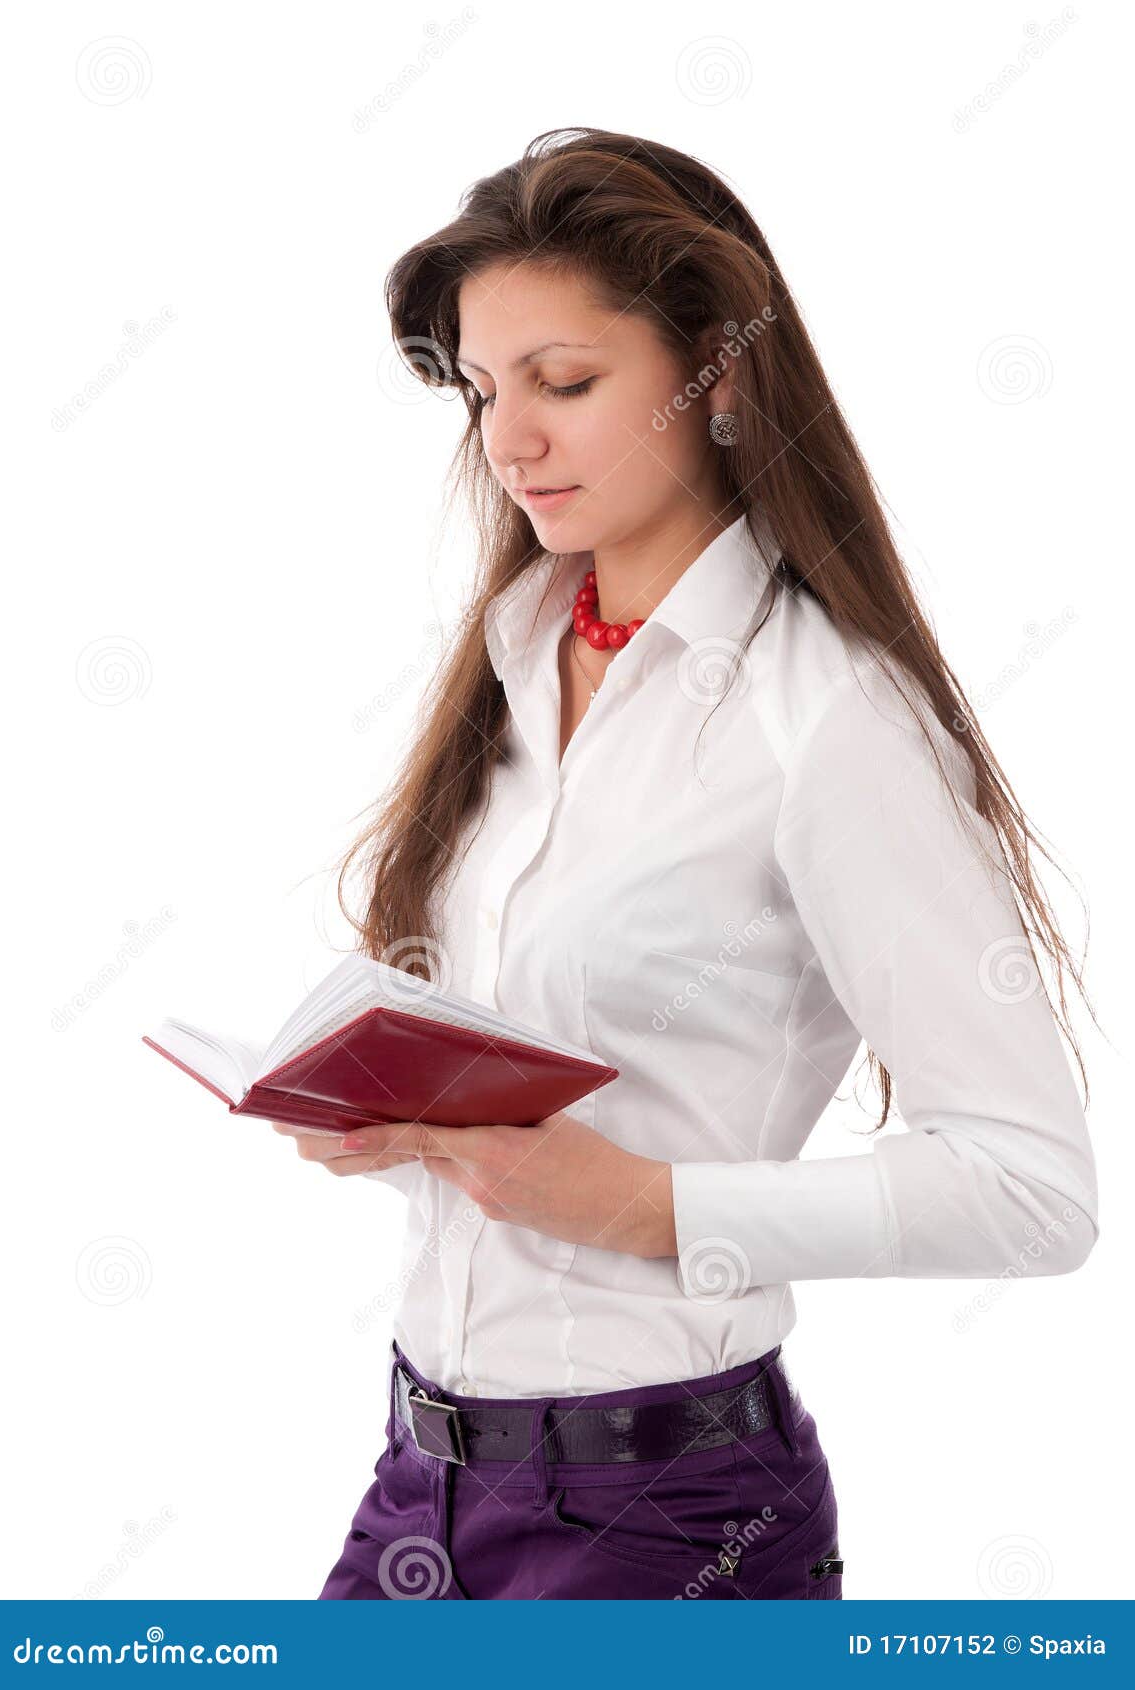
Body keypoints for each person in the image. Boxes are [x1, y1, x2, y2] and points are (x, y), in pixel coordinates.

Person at [273, 127, 1099, 1600]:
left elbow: (1031, 1187)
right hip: (419, 1479)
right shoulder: (511, 661)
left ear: (716, 372)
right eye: (481, 393)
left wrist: (647, 1206)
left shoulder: (826, 722)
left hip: (667, 1519)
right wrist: (397, 1124)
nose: (508, 440)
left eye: (566, 383)